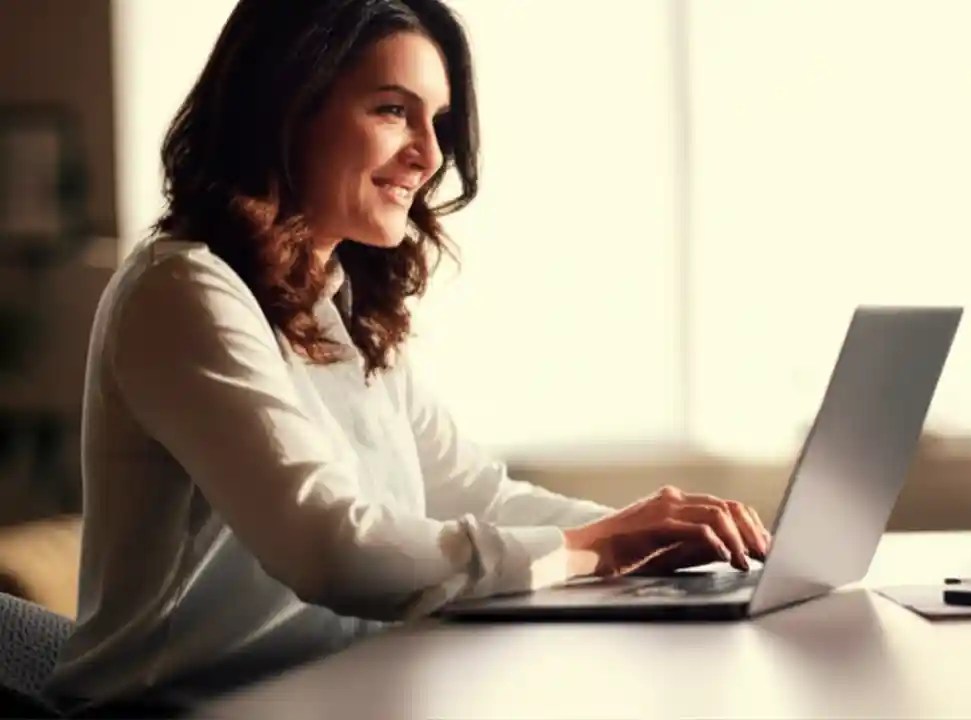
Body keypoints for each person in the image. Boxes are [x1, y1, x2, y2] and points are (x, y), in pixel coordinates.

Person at [46, 0, 771, 712]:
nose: (429, 154)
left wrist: (653, 535)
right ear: (286, 107)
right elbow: (334, 550)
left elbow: (475, 493)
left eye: (439, 121)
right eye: (393, 110)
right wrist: (596, 548)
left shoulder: (340, 306)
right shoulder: (182, 289)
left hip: (329, 697)